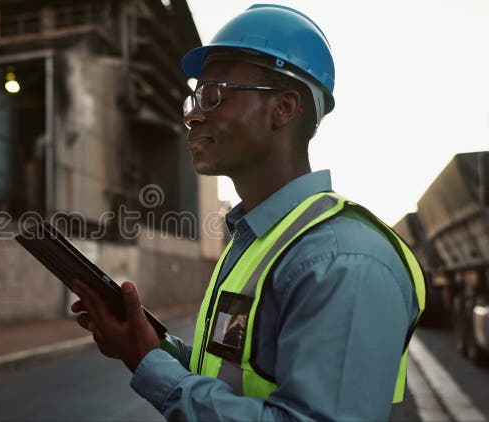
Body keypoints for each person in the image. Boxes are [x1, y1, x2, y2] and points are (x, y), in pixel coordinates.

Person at [70, 4, 426, 421]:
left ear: (284, 107)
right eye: (193, 99)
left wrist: (151, 367)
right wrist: (152, 349)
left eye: (214, 95)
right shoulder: (258, 240)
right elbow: (230, 376)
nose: (193, 115)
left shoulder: (343, 261)